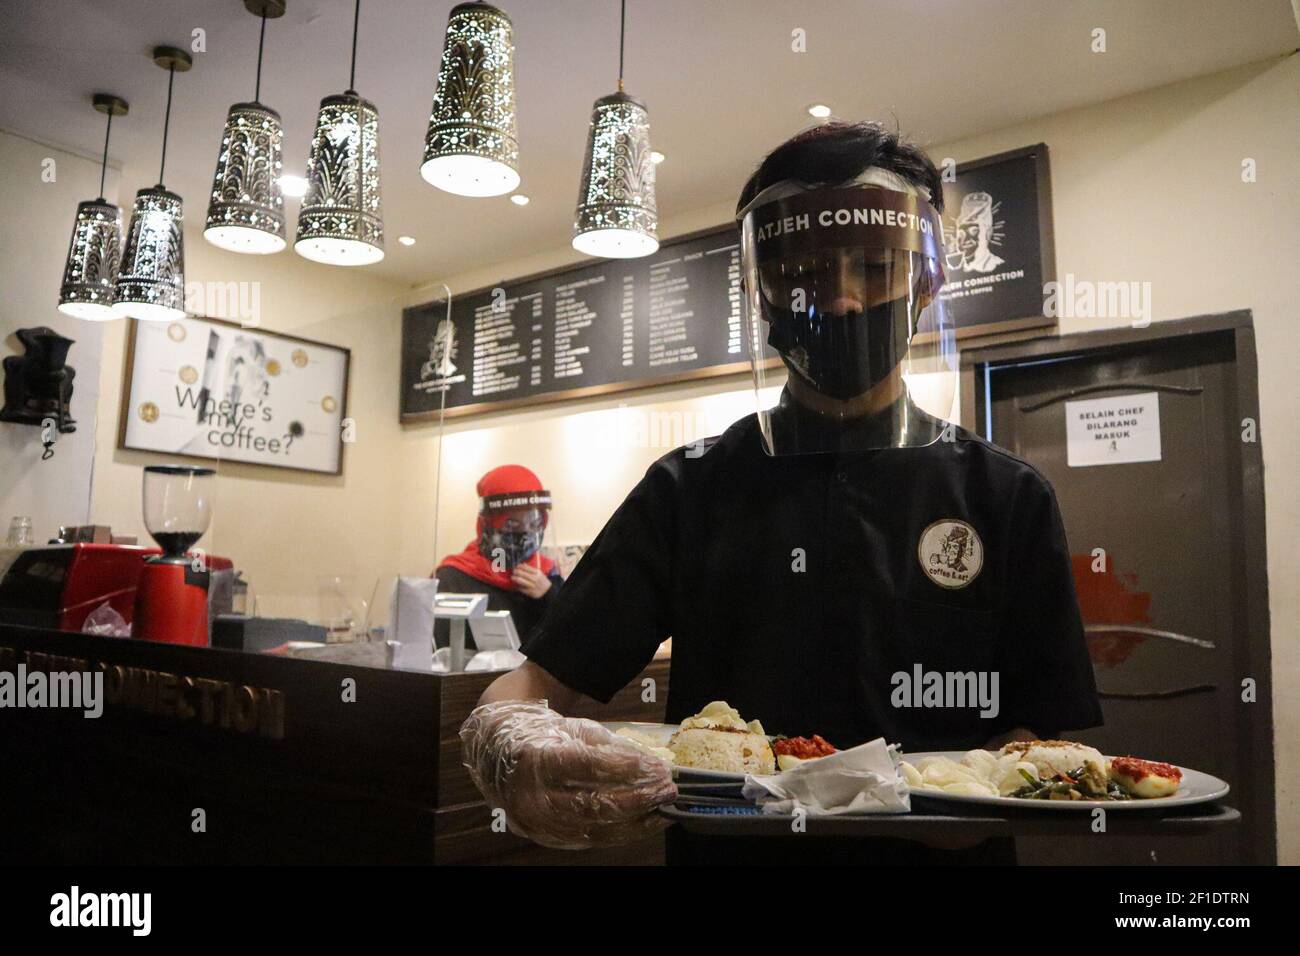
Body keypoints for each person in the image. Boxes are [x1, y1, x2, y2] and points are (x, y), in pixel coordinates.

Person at [460, 121, 1102, 862]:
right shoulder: (688, 488)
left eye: (872, 267)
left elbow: (1046, 727)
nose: (841, 302)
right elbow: (536, 683)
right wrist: (508, 741)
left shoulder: (1005, 496)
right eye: (806, 272)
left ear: (926, 281)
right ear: (761, 291)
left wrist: (960, 799)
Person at [433, 465, 564, 651]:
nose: (525, 533)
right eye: (512, 524)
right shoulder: (454, 577)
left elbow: (573, 641)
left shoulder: (547, 575)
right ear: (487, 525)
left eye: (535, 523)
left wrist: (549, 596)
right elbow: (440, 651)